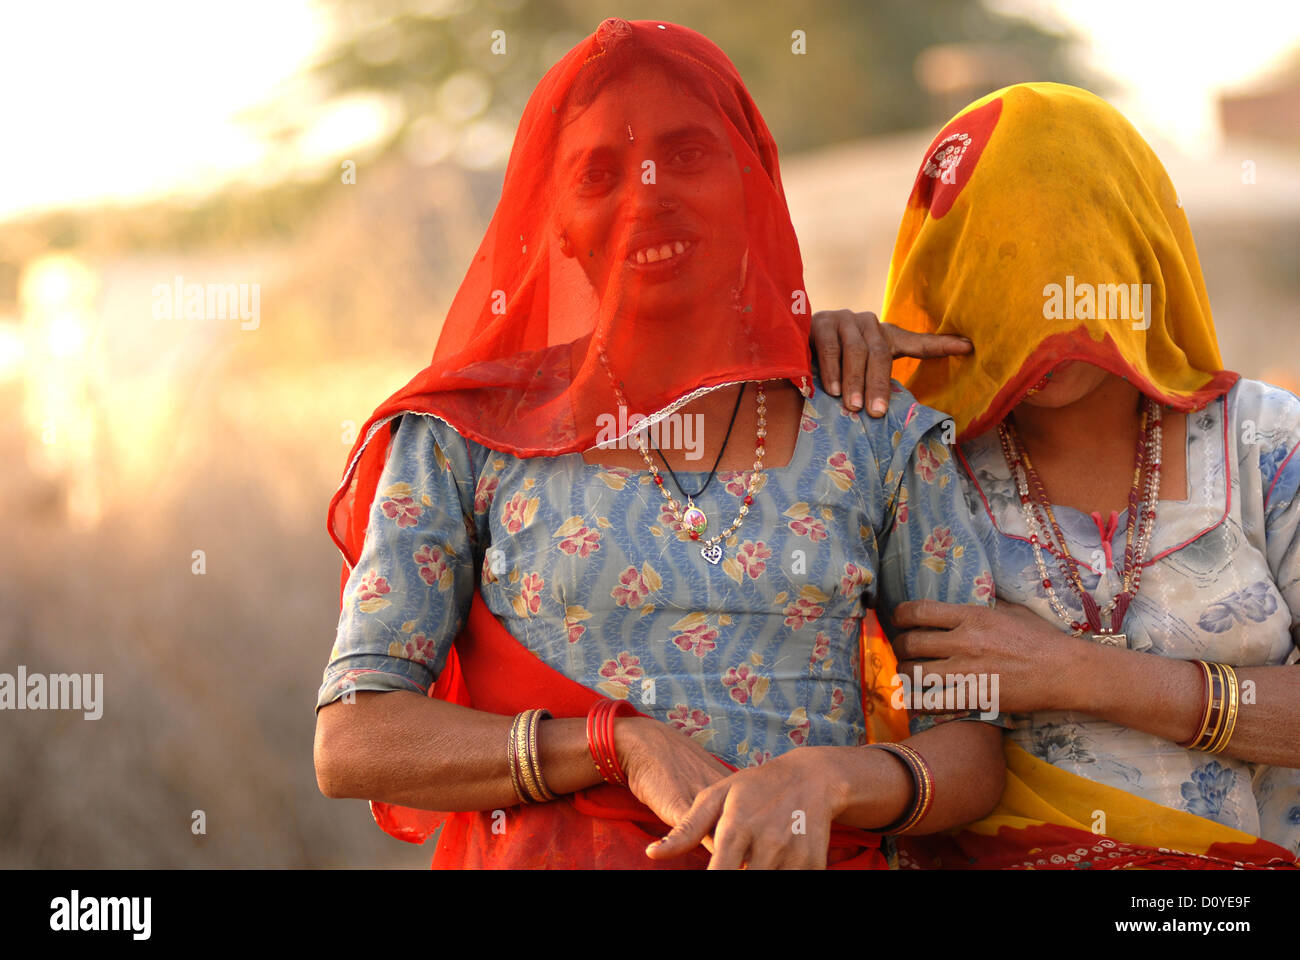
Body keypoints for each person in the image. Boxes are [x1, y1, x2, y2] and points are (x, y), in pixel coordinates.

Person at [312, 18, 1006, 870]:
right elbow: (353, 741)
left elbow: (972, 746)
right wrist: (618, 747)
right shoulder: (467, 435)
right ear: (557, 219)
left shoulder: (873, 429)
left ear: (752, 182)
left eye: (686, 156)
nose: (647, 197)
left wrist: (827, 780)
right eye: (598, 174)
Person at [813, 82, 1300, 869]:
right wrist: (804, 361)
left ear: (1140, 253)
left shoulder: (1266, 445)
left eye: (1072, 266)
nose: (1042, 319)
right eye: (999, 271)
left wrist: (1083, 675)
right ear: (942, 275)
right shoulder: (914, 462)